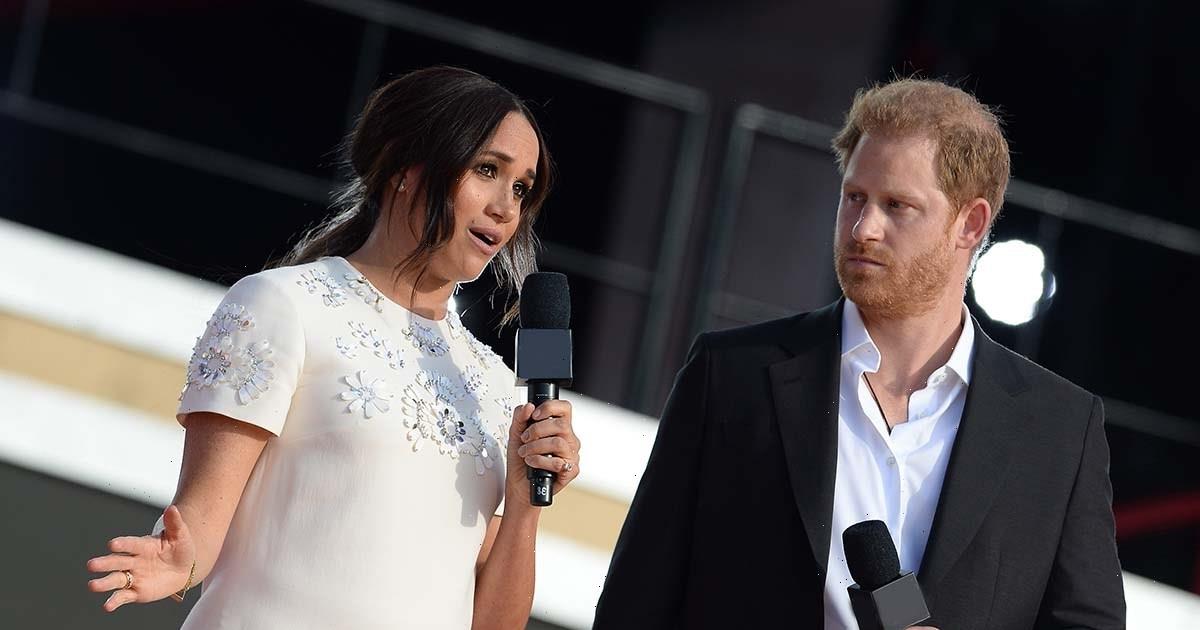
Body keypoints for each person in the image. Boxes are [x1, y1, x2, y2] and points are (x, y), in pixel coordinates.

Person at [594, 78, 1124, 629]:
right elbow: (636, 602)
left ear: (970, 224)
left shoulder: (1059, 429)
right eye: (854, 198)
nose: (864, 227)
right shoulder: (732, 374)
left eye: (897, 205)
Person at [85, 66, 582, 630]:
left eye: (521, 188)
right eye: (487, 170)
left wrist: (524, 507)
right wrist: (178, 560)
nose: (505, 207)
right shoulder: (286, 307)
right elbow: (198, 522)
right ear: (405, 168)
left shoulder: (491, 384)